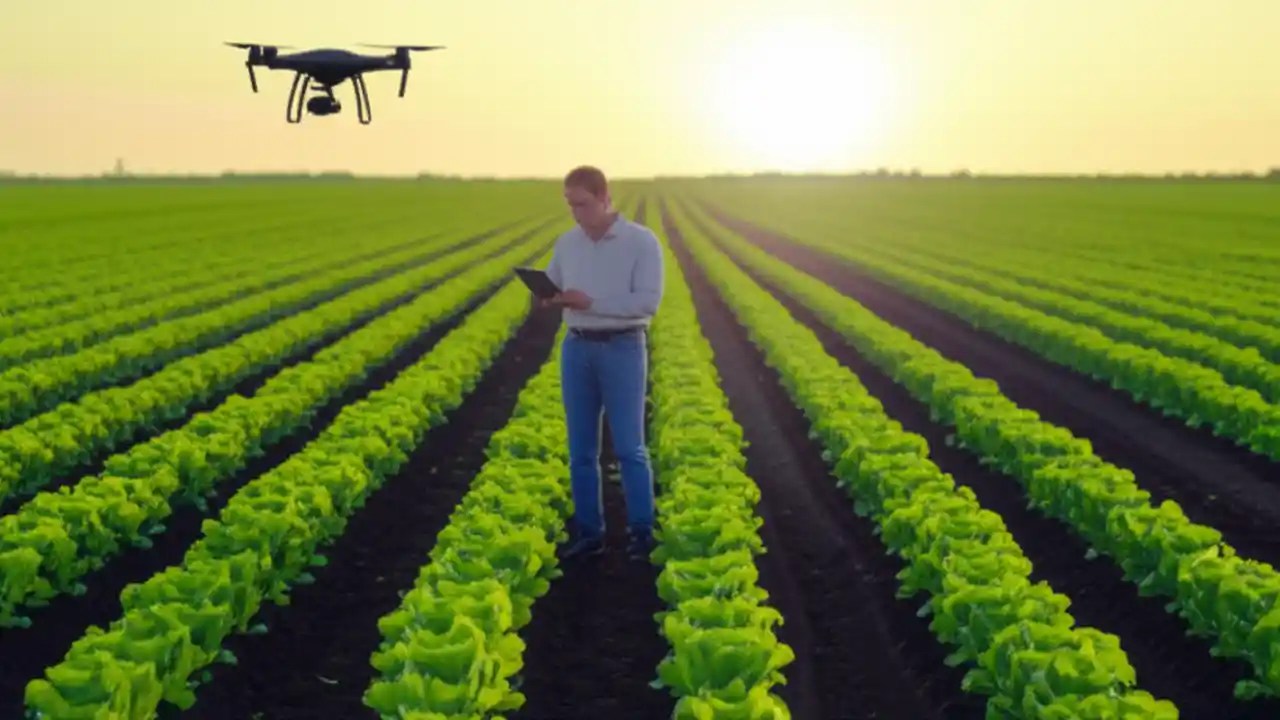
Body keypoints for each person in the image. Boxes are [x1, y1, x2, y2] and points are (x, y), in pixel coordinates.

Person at [541, 165, 664, 561]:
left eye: (584, 204)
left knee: (630, 447)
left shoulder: (641, 242)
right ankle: (590, 533)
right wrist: (547, 296)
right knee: (581, 451)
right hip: (576, 347)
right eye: (571, 205)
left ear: (606, 198)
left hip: (623, 348)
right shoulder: (567, 243)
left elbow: (647, 302)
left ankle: (642, 533)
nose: (577, 213)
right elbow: (555, 284)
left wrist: (591, 303)